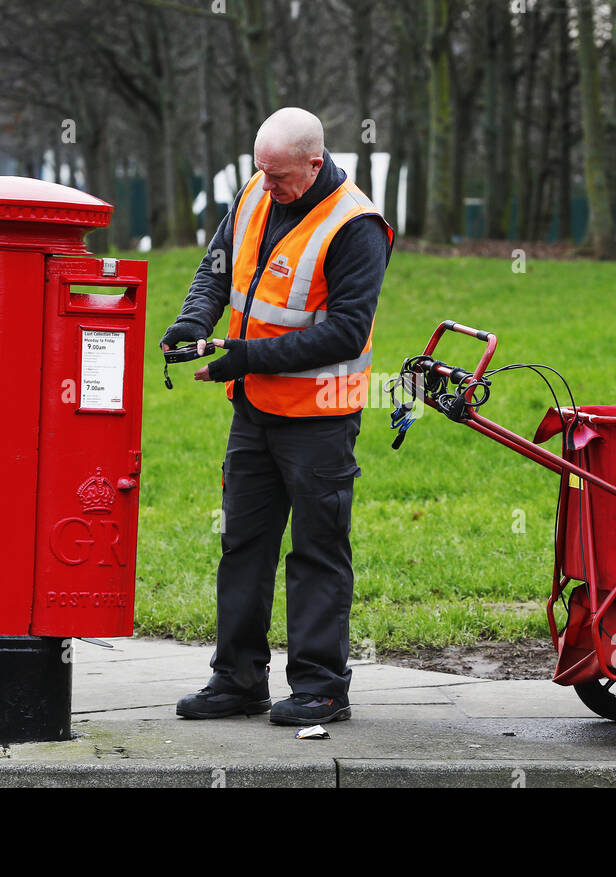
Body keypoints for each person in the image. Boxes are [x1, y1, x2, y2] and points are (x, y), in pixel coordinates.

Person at [164, 107, 392, 726]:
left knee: (317, 552)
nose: (268, 187)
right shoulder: (256, 189)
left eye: (282, 177)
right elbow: (216, 268)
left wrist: (244, 358)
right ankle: (236, 680)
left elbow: (345, 332)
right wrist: (193, 322)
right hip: (256, 409)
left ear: (315, 164)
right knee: (243, 546)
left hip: (320, 417)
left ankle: (321, 688)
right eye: (261, 173)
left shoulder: (357, 225)